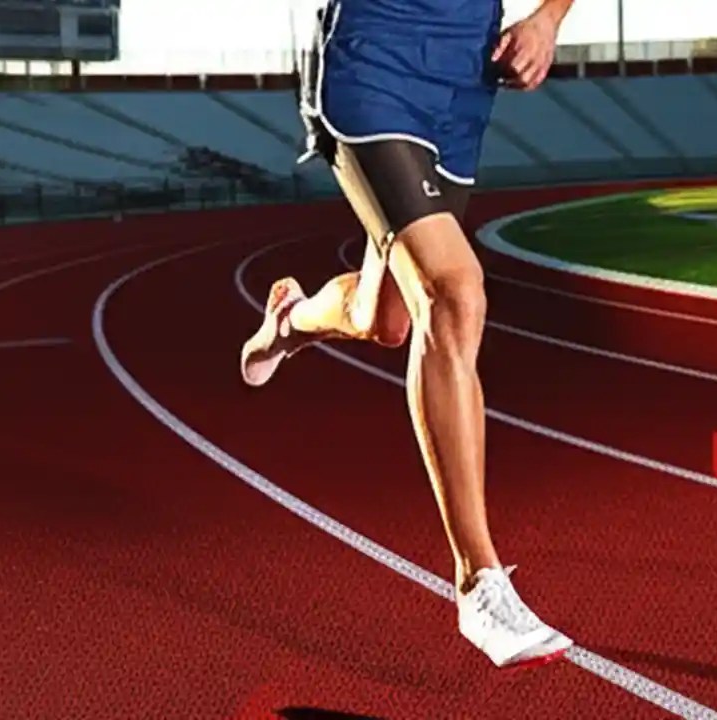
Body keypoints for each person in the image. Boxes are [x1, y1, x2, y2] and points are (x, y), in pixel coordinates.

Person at [239, 0, 576, 669]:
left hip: (463, 79)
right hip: (373, 61)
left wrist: (548, 20)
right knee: (454, 292)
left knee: (385, 318)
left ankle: (291, 320)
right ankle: (478, 581)